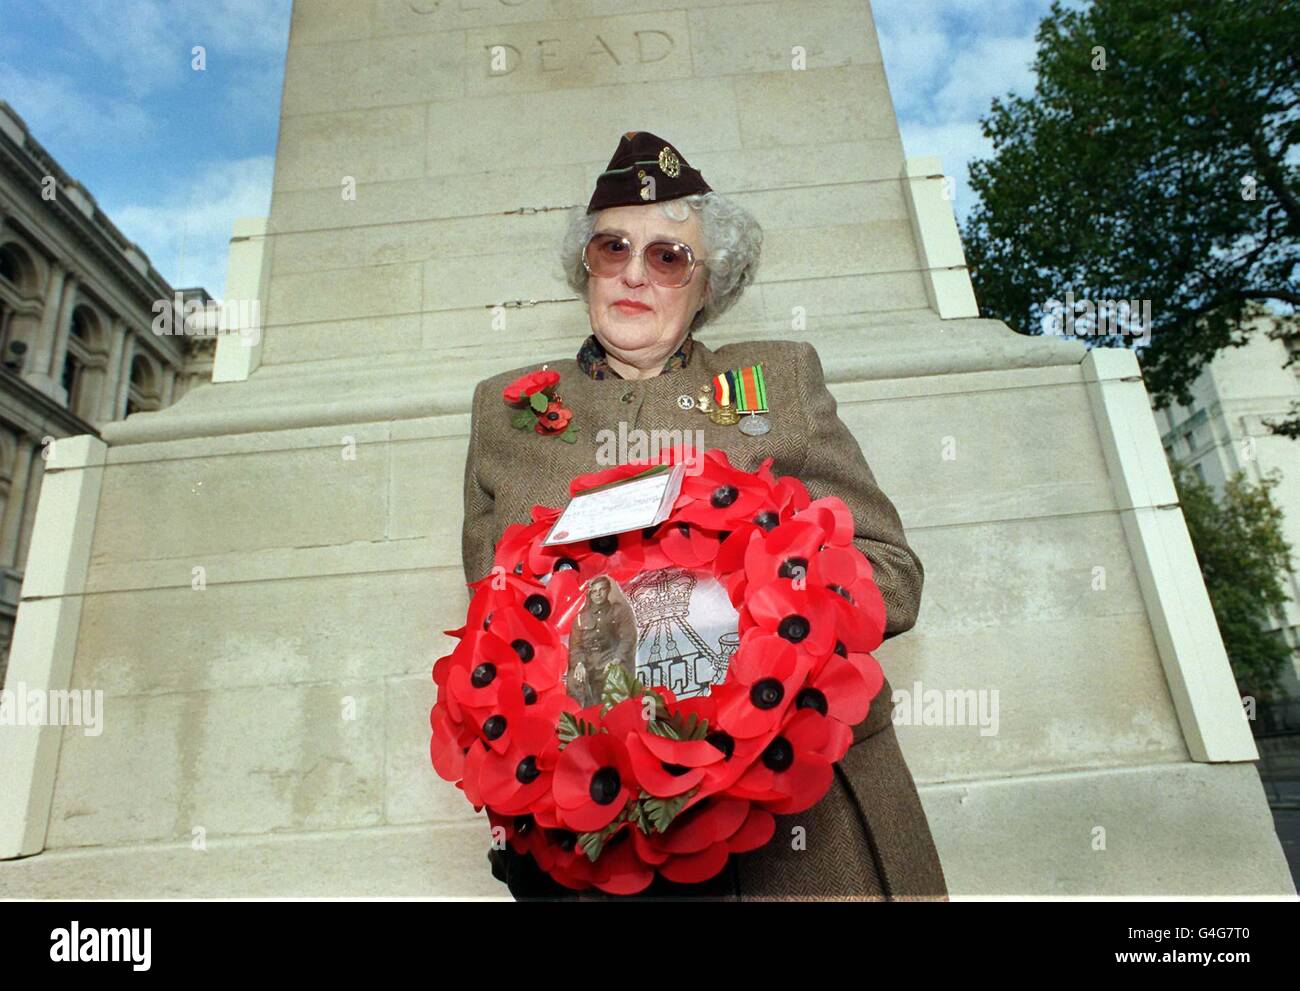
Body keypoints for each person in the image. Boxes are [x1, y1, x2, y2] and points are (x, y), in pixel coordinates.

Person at [462, 130, 947, 901]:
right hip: (603, 844)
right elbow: (494, 629)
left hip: (800, 825)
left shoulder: (775, 381)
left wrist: (744, 624)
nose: (632, 272)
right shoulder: (507, 411)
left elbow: (892, 573)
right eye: (611, 247)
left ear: (707, 280)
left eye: (667, 256)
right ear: (582, 264)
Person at [566, 576, 638, 707]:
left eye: (602, 590)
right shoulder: (580, 617)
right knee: (574, 681)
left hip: (610, 658)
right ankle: (581, 718)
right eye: (594, 591)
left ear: (608, 590)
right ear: (589, 593)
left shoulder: (619, 611)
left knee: (615, 679)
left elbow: (628, 638)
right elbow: (575, 646)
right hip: (588, 662)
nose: (598, 594)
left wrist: (617, 659)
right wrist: (579, 664)